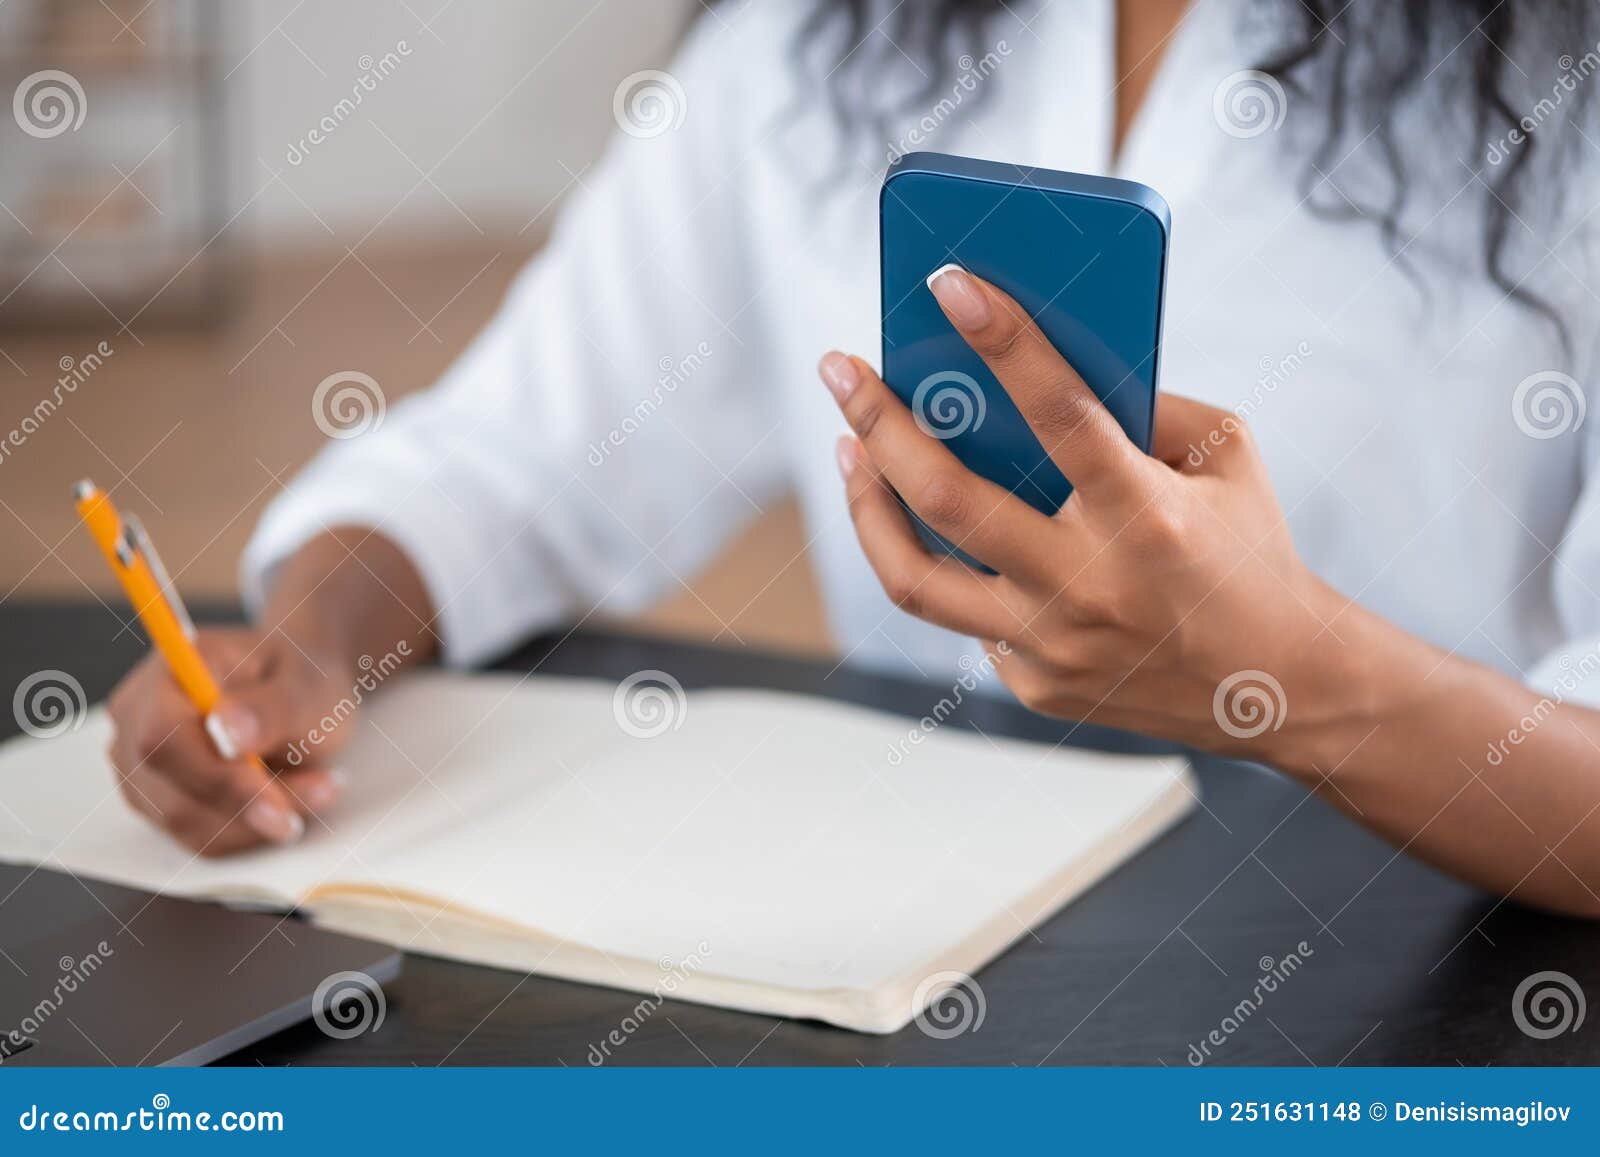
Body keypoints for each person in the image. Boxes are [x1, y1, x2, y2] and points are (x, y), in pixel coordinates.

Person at [106, 0, 1600, 915]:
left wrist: (1290, 675)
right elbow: (504, 460)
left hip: (1437, 972)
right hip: (929, 951)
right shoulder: (812, 42)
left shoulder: (1562, 92)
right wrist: (304, 652)